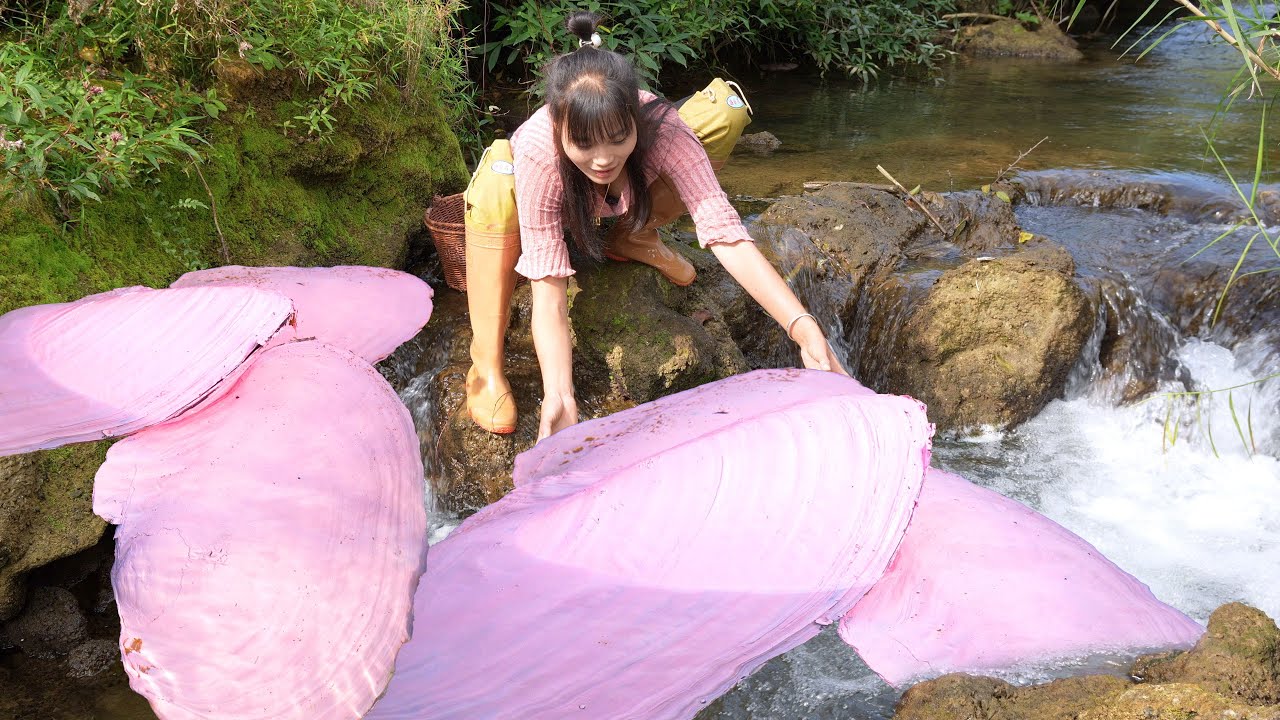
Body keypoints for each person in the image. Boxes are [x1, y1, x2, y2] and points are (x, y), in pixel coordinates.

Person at [464, 10, 848, 441]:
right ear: (560, 131)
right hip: (553, 205)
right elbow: (549, 288)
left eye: (617, 138)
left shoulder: (662, 125)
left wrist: (802, 326)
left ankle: (633, 234)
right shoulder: (539, 151)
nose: (604, 158)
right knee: (496, 188)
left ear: (635, 118)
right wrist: (560, 394)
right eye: (584, 144)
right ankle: (486, 367)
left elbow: (725, 232)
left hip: (624, 199)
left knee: (720, 113)